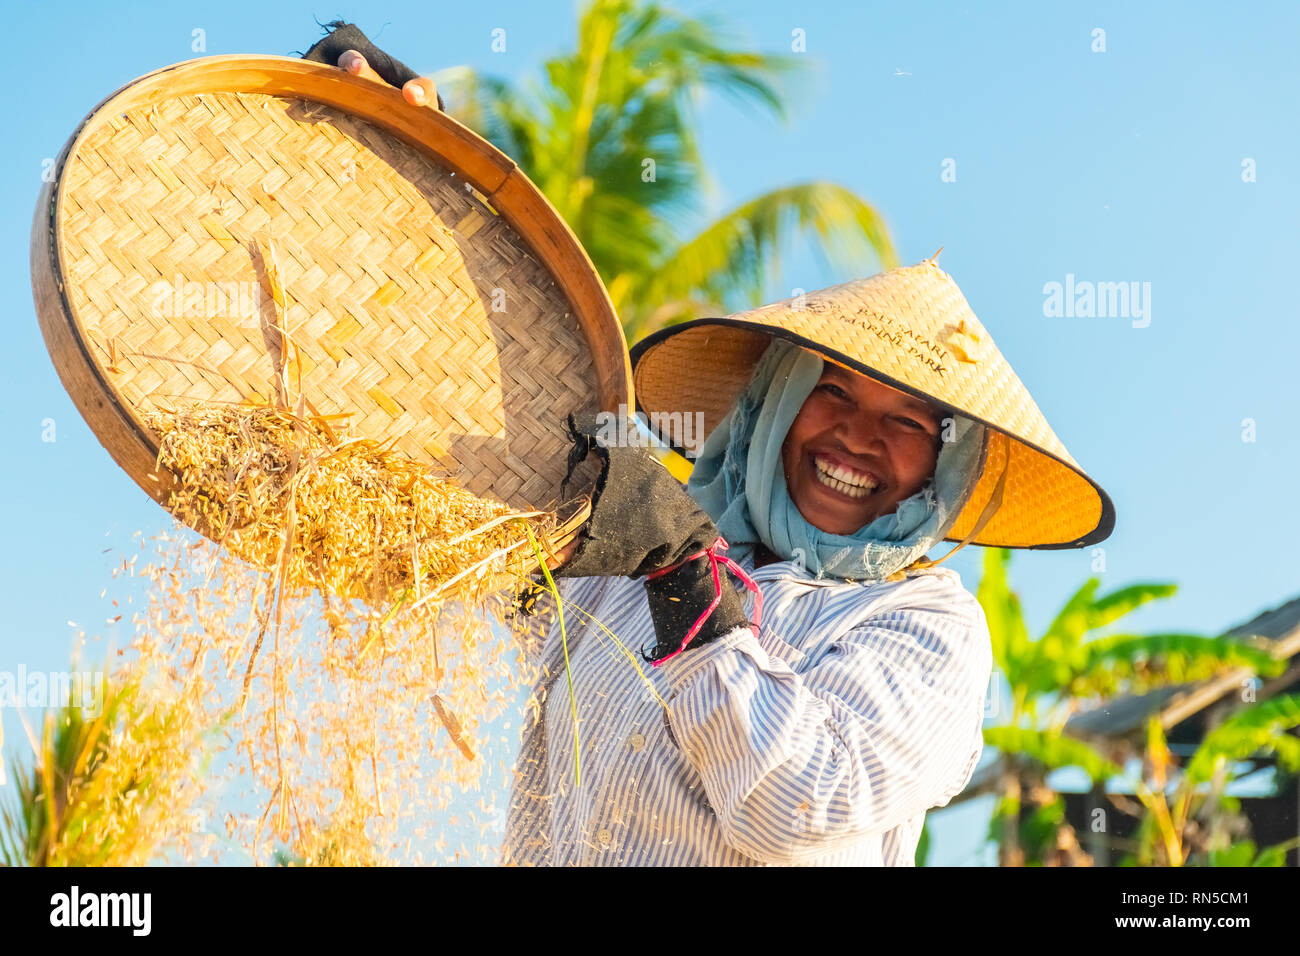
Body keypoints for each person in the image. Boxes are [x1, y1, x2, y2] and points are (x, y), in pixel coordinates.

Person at [299, 23, 1116, 866]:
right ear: (773, 406)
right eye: (829, 390)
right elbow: (461, 510)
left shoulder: (923, 626)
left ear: (944, 465)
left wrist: (685, 576)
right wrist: (415, 168)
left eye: (907, 423)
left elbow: (797, 808)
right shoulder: (622, 565)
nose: (858, 437)